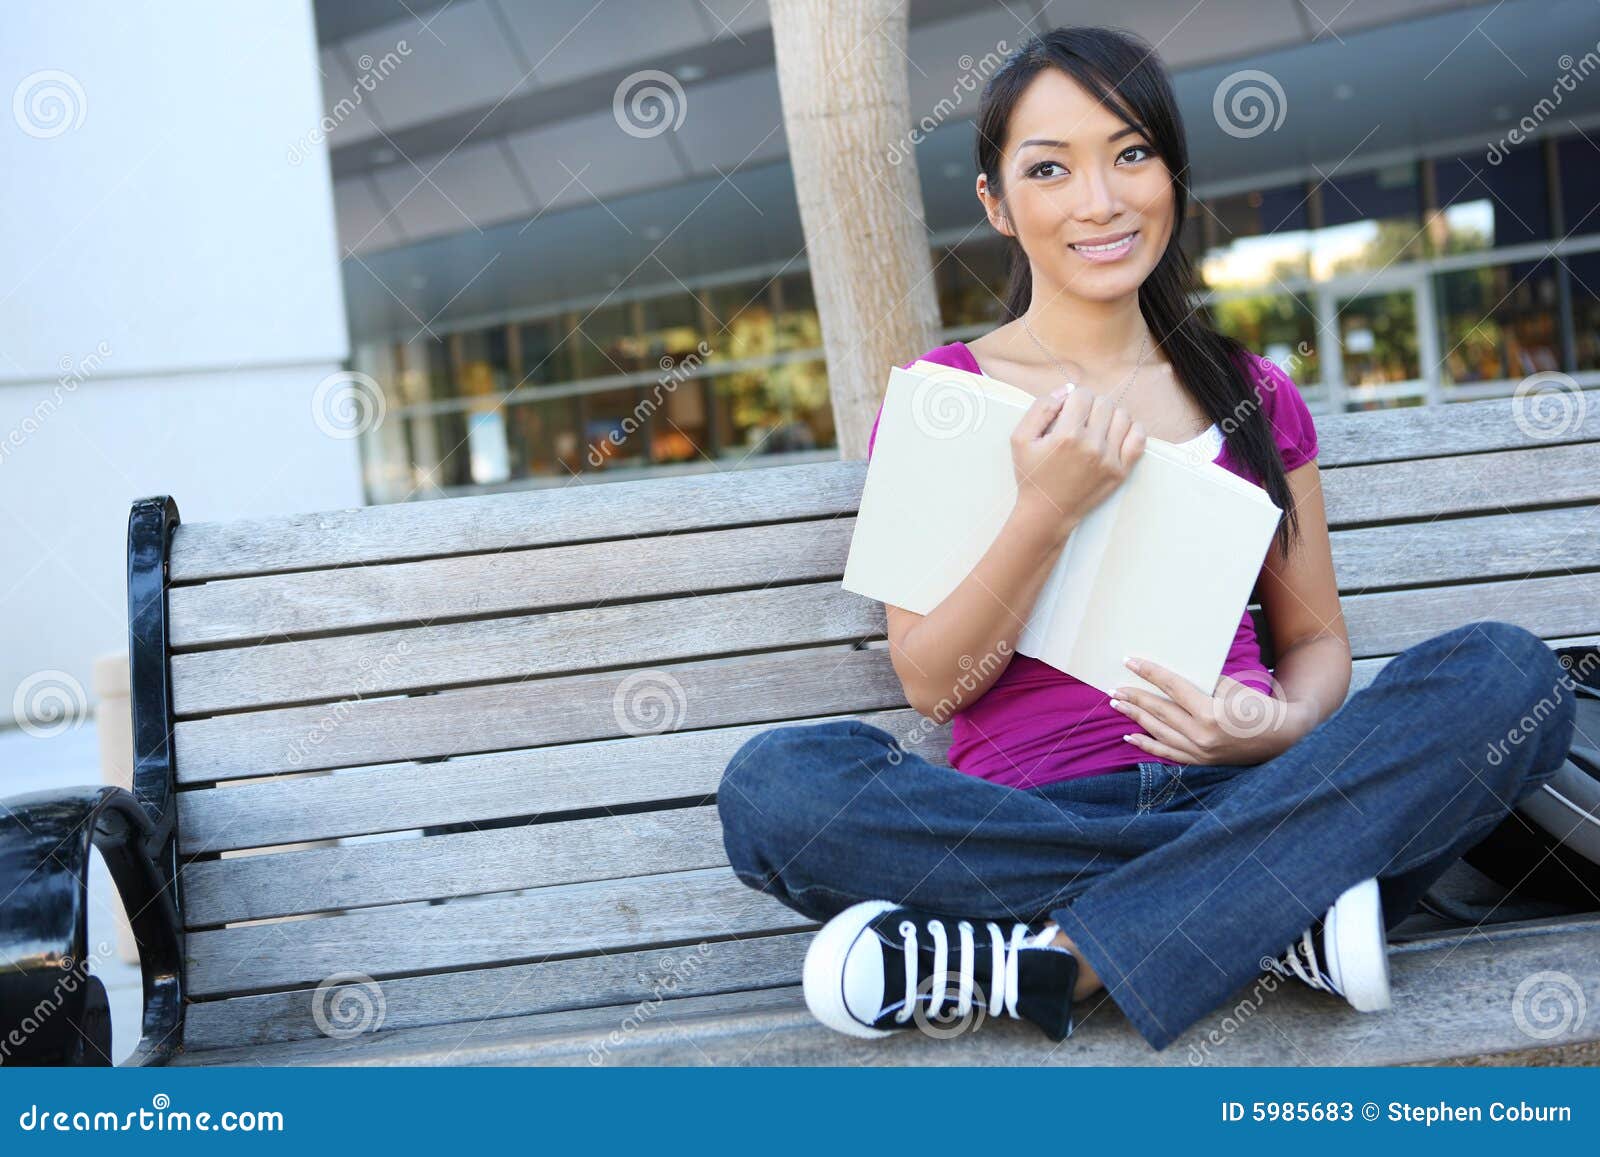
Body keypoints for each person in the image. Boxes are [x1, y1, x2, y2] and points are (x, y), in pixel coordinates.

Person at [716, 25, 1577, 1052]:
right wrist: (1046, 508)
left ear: (1171, 173)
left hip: (1251, 789)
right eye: (1049, 168)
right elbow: (933, 683)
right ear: (996, 202)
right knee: (776, 788)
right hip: (1030, 819)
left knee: (1509, 676)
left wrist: (1270, 725)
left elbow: (1315, 644)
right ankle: (1273, 917)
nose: (1100, 200)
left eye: (1131, 154)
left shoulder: (1250, 392)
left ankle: (1058, 960)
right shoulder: (946, 397)